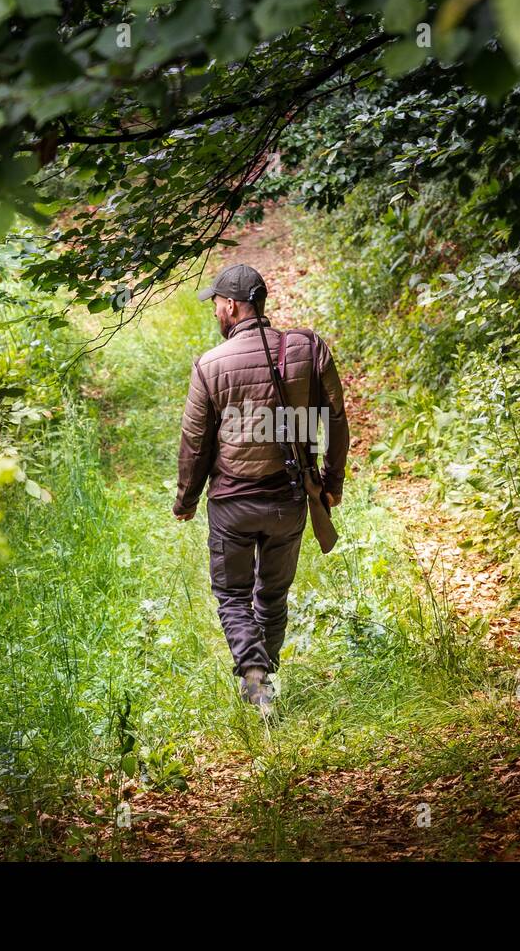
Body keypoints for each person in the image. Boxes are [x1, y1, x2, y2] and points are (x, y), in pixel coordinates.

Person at [174, 263, 349, 713]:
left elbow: (196, 442)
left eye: (216, 303)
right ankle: (265, 676)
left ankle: (253, 675)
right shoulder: (307, 348)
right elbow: (336, 419)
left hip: (232, 502)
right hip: (288, 498)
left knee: (232, 595)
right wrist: (331, 482)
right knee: (272, 594)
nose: (215, 311)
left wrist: (187, 500)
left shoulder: (210, 366)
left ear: (232, 305)